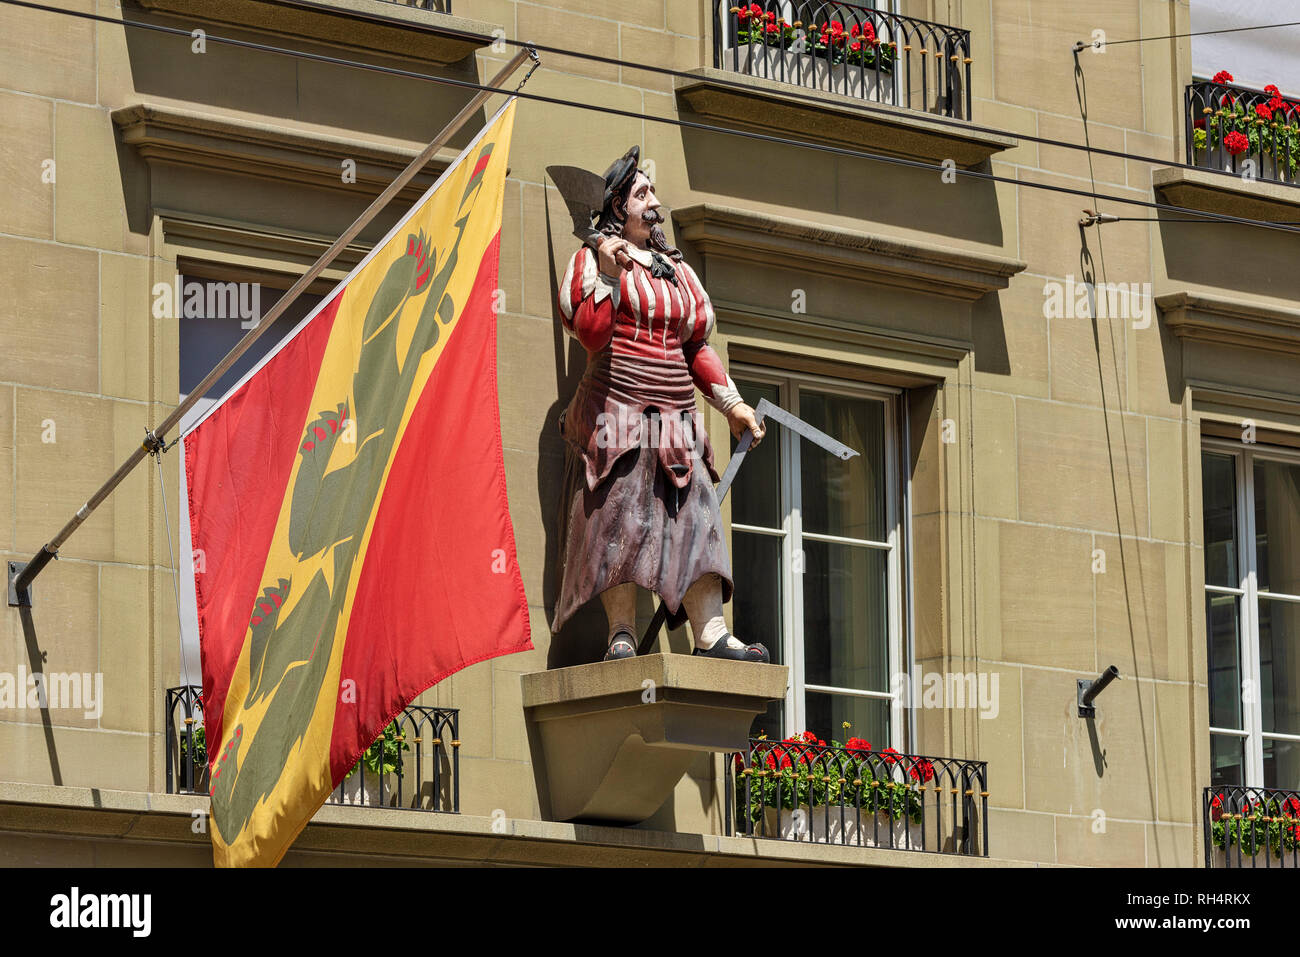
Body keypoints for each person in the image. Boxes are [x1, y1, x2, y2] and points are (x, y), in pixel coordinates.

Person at [550, 145, 770, 663]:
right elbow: (590, 334)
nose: (653, 201)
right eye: (641, 193)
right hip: (617, 411)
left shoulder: (678, 271)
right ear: (618, 207)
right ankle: (621, 633)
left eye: (652, 192)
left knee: (696, 517)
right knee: (618, 519)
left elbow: (697, 347)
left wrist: (732, 405)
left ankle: (711, 634)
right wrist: (605, 275)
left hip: (676, 414)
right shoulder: (592, 260)